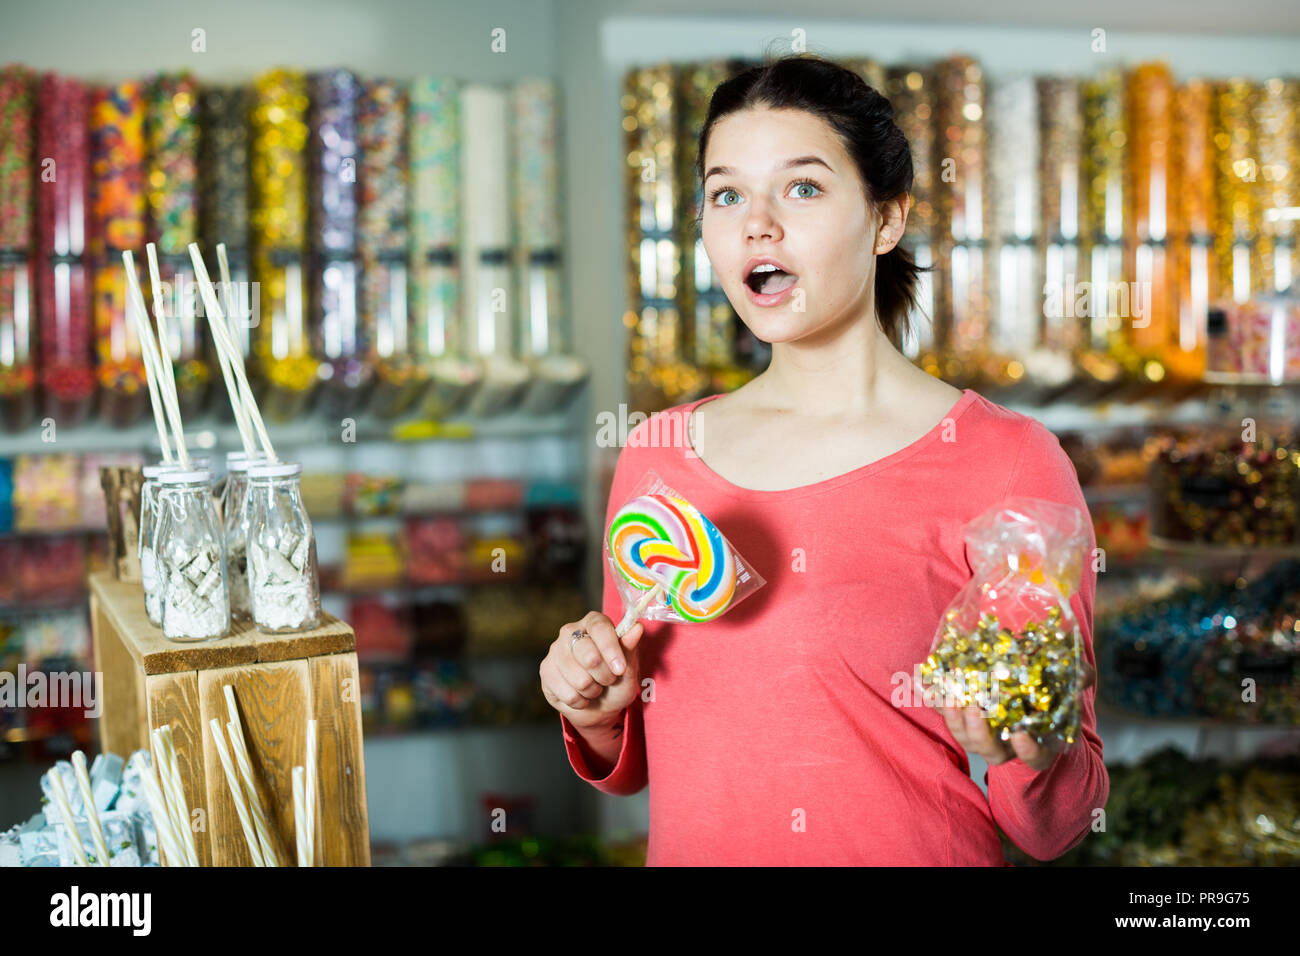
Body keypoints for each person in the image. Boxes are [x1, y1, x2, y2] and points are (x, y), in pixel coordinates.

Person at [539, 53, 1107, 865]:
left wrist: (1029, 746)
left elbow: (1060, 823)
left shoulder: (1007, 462)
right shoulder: (657, 452)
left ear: (885, 220)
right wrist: (594, 706)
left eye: (803, 188)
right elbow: (637, 758)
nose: (756, 223)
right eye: (726, 193)